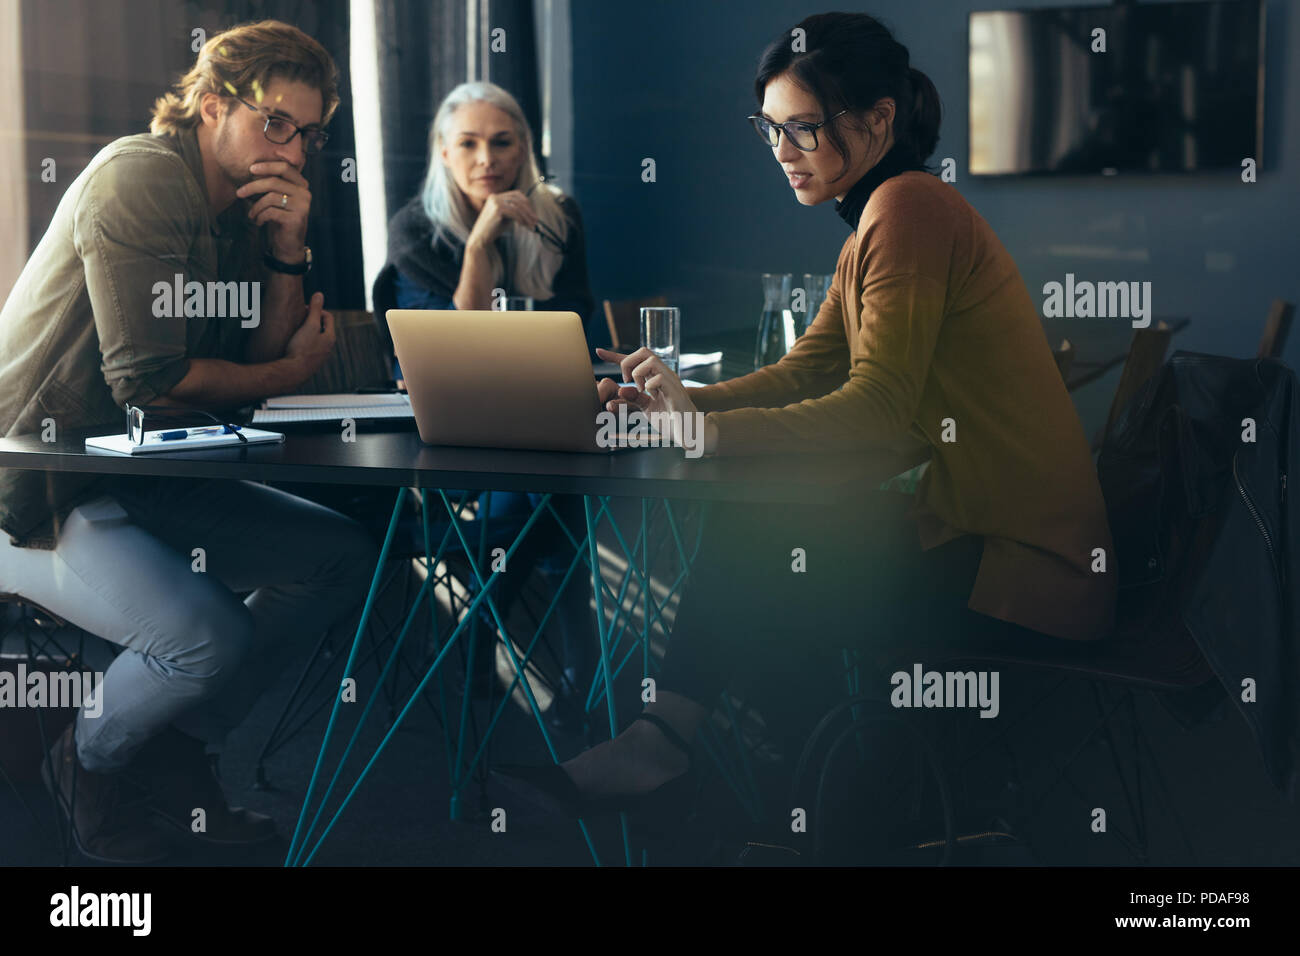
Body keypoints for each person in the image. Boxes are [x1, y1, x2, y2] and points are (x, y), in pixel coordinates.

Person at [496, 12, 1118, 817]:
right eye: (770, 129)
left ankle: (800, 790)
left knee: (767, 552)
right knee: (771, 547)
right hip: (980, 543)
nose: (782, 153)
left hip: (1027, 573)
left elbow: (879, 404)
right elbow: (803, 371)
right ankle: (809, 788)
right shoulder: (879, 220)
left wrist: (707, 431)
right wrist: (674, 407)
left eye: (803, 130)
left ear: (879, 120)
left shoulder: (909, 211)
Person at [0, 20, 376, 862]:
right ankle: (84, 759)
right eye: (275, 122)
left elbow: (252, 359)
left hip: (143, 472)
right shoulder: (142, 177)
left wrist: (285, 250)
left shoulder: (242, 203)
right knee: (208, 637)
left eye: (311, 134)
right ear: (211, 106)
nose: (295, 150)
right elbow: (154, 381)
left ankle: (171, 748)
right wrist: (280, 376)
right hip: (35, 482)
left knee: (341, 555)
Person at [373, 82, 597, 728]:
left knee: (550, 488)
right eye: (467, 144)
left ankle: (473, 627)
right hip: (445, 432)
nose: (486, 159)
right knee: (560, 499)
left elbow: (579, 321)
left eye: (502, 142)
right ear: (443, 153)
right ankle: (584, 686)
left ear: (525, 147)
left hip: (536, 419)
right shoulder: (417, 227)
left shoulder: (559, 216)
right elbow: (459, 345)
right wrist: (481, 244)